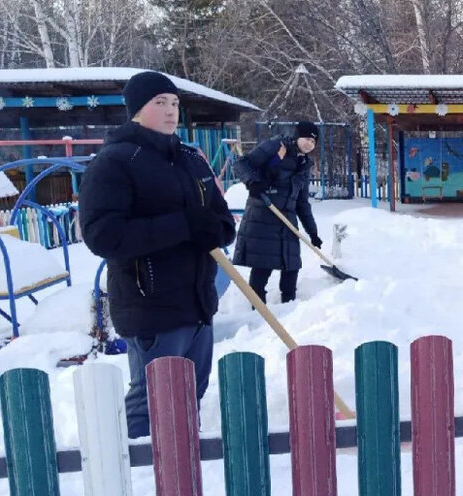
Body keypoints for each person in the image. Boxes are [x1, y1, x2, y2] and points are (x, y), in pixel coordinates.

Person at [79, 70, 236, 438]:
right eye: (160, 103)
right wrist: (182, 225)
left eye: (175, 104)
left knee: (188, 400)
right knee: (151, 406)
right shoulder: (116, 162)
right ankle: (138, 474)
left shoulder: (190, 158)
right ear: (136, 110)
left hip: (197, 303)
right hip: (151, 305)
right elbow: (103, 235)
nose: (171, 112)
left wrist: (213, 227)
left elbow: (221, 220)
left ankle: (183, 471)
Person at [233, 121, 320, 303]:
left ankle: (289, 308)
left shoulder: (305, 164)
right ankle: (258, 311)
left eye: (313, 142)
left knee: (291, 265)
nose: (309, 144)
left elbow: (302, 203)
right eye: (306, 139)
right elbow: (242, 164)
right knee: (263, 265)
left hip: (286, 219)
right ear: (297, 136)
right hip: (263, 214)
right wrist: (252, 183)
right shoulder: (276, 145)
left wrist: (313, 232)